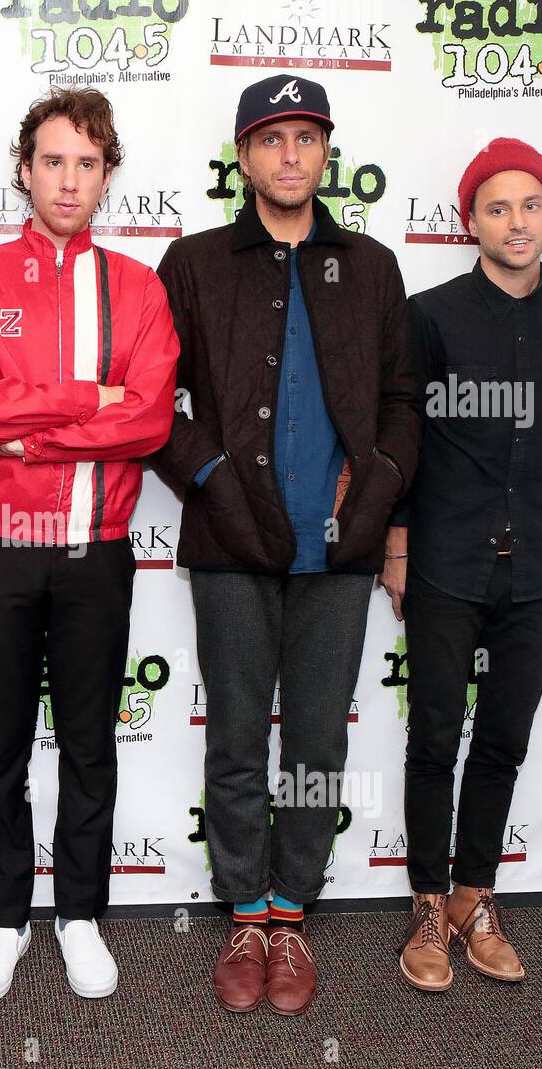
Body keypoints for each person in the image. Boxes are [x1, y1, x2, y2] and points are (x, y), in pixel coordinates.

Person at [152, 74, 419, 1016]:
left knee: (313, 740)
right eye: (272, 139)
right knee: (234, 737)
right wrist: (217, 483)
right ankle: (245, 911)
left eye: (307, 138)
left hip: (338, 548)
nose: (290, 155)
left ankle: (292, 913)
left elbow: (401, 401)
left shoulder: (374, 265)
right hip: (230, 541)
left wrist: (378, 486)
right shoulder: (194, 262)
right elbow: (156, 402)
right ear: (244, 156)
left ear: (326, 152)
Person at [0, 87, 178, 1002]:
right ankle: (4, 917)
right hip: (0, 541)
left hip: (95, 545)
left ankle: (78, 914)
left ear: (107, 175)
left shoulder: (142, 288)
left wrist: (29, 428)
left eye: (87, 162)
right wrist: (87, 401)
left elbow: (149, 420)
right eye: (52, 160)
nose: (68, 179)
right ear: (24, 169)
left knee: (88, 741)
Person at [385, 139, 542, 991]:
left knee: (503, 739)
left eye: (532, 205)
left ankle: (477, 896)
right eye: (499, 207)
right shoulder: (431, 314)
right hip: (444, 559)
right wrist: (397, 544)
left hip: (534, 566)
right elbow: (407, 442)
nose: (518, 222)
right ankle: (428, 906)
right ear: (469, 220)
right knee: (435, 737)